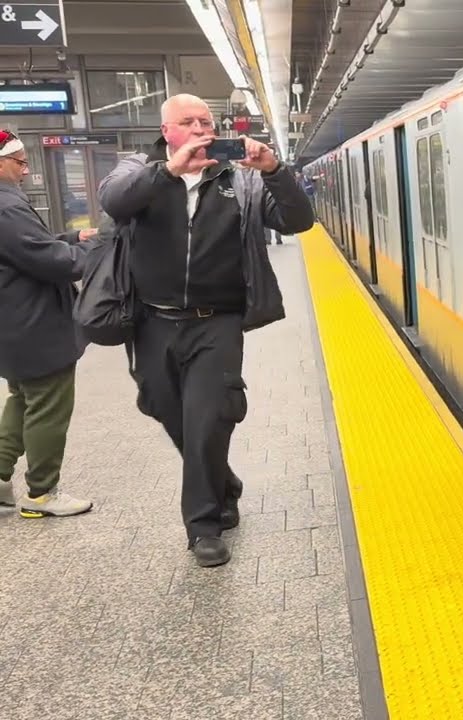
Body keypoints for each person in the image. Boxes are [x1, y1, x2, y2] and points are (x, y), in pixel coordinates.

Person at [98, 93, 314, 567]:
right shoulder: (138, 171)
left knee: (208, 418)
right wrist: (169, 171)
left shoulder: (241, 181)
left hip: (217, 322)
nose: (200, 129)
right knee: (166, 410)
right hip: (152, 323)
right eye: (188, 122)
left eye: (206, 122)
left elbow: (300, 221)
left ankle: (203, 525)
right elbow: (114, 202)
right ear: (167, 131)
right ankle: (224, 482)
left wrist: (274, 169)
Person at [0, 129, 96, 518]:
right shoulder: (6, 207)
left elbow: (24, 248)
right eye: (20, 162)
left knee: (23, 400)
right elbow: (50, 260)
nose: (25, 170)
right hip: (34, 324)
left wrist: (71, 235)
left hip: (12, 324)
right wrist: (92, 251)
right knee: (49, 406)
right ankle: (41, 492)